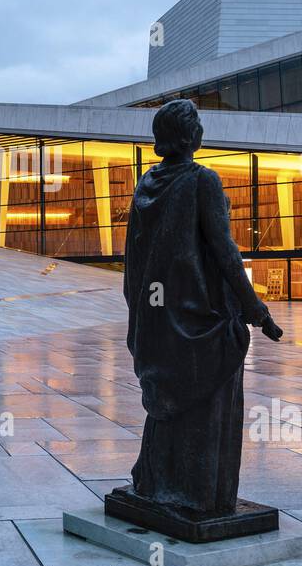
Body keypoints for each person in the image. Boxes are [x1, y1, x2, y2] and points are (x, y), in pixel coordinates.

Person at [120, 98, 283, 520]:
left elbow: (134, 261)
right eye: (198, 125)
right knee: (208, 401)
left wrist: (140, 317)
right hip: (201, 316)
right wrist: (256, 308)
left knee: (169, 397)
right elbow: (224, 249)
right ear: (190, 135)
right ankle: (196, 495)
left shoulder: (146, 185)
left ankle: (158, 484)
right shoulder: (202, 180)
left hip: (160, 317)